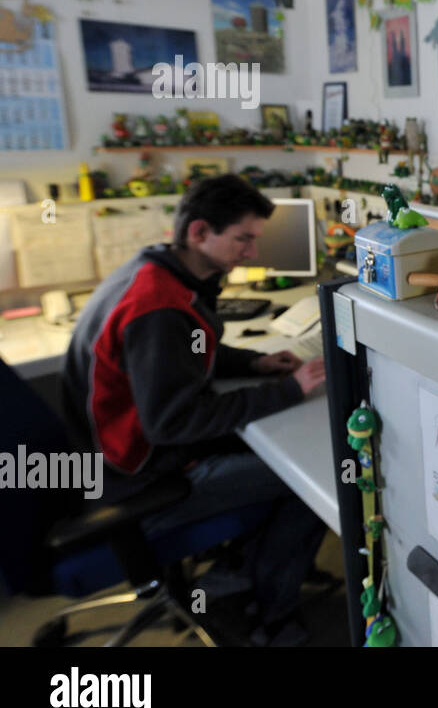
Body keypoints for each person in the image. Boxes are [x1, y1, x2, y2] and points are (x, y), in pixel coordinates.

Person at [62, 174, 328, 645]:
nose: (251, 253)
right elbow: (174, 423)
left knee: (276, 450)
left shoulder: (156, 270)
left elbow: (186, 354)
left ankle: (238, 574)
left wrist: (256, 361)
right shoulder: (158, 307)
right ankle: (263, 613)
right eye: (243, 239)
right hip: (139, 480)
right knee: (305, 480)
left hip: (113, 457)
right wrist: (289, 390)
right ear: (199, 232)